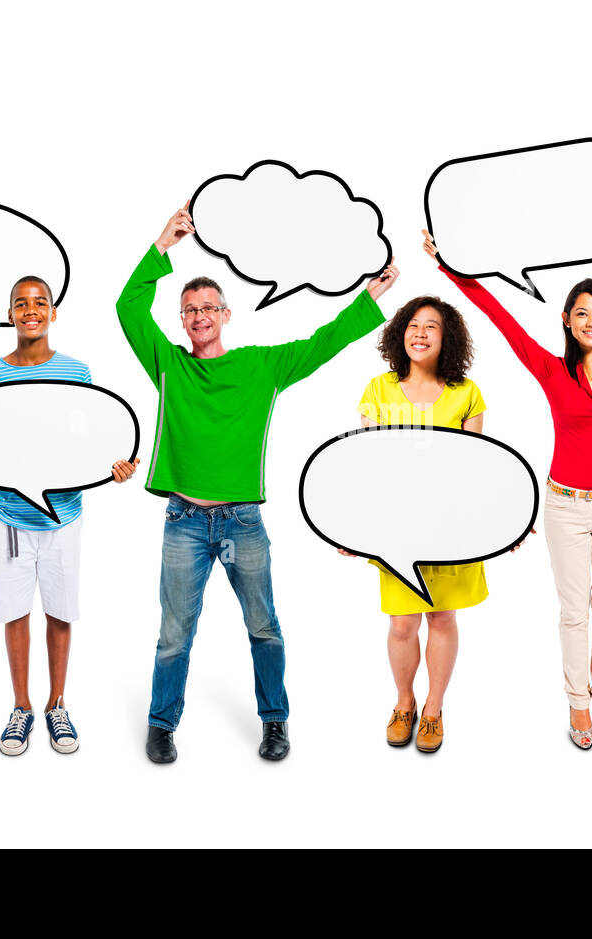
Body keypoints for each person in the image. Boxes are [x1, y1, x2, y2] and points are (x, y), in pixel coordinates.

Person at [117, 202, 398, 764]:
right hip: (184, 521)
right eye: (188, 309)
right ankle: (160, 724)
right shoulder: (169, 364)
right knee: (174, 633)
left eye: (207, 307)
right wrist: (161, 246)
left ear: (226, 314)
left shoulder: (261, 366)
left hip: (243, 520)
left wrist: (368, 299)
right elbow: (127, 308)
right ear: (181, 321)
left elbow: (322, 343)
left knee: (263, 625)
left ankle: (275, 722)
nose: (198, 315)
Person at [425, 178, 592, 750]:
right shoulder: (552, 371)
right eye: (581, 313)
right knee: (573, 613)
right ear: (566, 318)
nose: (591, 321)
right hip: (565, 505)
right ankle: (577, 706)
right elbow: (501, 314)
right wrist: (449, 268)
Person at [0, 275, 138, 757]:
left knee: (61, 611)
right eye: (21, 303)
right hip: (8, 517)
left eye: (40, 302)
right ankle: (21, 708)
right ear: (10, 313)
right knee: (14, 612)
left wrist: (114, 467)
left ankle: (57, 703)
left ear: (54, 311)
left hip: (64, 517)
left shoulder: (76, 371)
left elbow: (90, 436)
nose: (31, 309)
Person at [349, 294, 485, 753]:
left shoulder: (466, 393)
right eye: (412, 324)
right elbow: (362, 468)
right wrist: (351, 527)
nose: (420, 333)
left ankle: (433, 708)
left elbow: (478, 470)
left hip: (448, 530)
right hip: (395, 532)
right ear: (400, 333)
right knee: (402, 624)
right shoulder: (378, 389)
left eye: (432, 326)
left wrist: (496, 527)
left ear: (447, 338)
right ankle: (404, 701)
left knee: (442, 618)